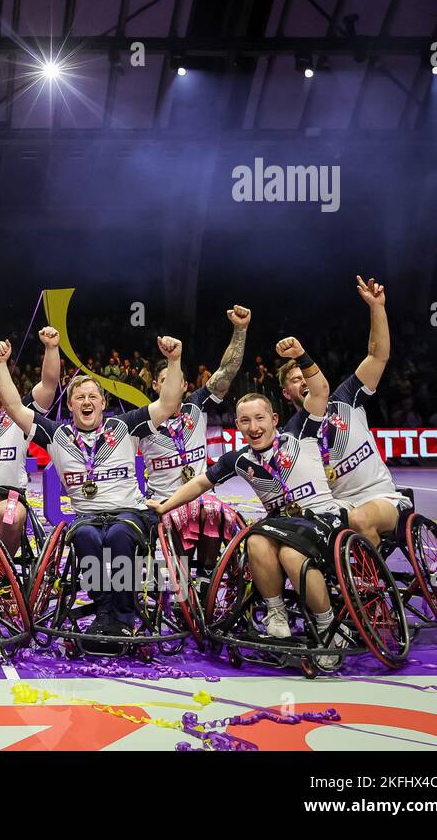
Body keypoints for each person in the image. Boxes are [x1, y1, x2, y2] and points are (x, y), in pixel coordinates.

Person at [148, 338, 352, 668]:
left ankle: (330, 626)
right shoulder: (240, 459)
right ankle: (276, 616)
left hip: (320, 519)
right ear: (238, 426)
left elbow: (322, 389)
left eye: (259, 419)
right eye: (245, 421)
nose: (253, 428)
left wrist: (302, 354)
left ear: (273, 418)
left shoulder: (300, 432)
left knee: (287, 551)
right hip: (279, 528)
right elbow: (200, 483)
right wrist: (165, 506)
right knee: (255, 540)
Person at [0, 335, 184, 650]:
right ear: (70, 405)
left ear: (103, 403)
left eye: (92, 396)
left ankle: (121, 617)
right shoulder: (57, 434)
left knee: (120, 535)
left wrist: (174, 361)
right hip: (87, 517)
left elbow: (168, 404)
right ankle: (105, 605)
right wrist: (0, 364)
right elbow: (13, 407)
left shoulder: (126, 426)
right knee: (86, 538)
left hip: (129, 513)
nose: (86, 402)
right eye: (79, 397)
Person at [281, 277, 410, 547]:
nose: (303, 381)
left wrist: (376, 307)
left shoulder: (346, 399)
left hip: (379, 498)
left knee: (360, 520)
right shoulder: (292, 434)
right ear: (286, 393)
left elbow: (377, 356)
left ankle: (367, 588)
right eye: (295, 380)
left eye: (306, 375)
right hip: (336, 508)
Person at [141, 306, 250, 573]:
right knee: (186, 515)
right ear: (155, 386)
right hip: (164, 503)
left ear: (185, 385)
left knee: (212, 509)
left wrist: (240, 329)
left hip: (202, 500)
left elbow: (227, 370)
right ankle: (179, 576)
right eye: (164, 380)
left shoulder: (196, 406)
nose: (170, 385)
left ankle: (204, 575)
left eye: (176, 379)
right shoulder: (142, 421)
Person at [0, 325, 62, 555]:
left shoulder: (22, 412)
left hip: (8, 496)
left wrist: (51, 348)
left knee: (13, 516)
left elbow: (48, 386)